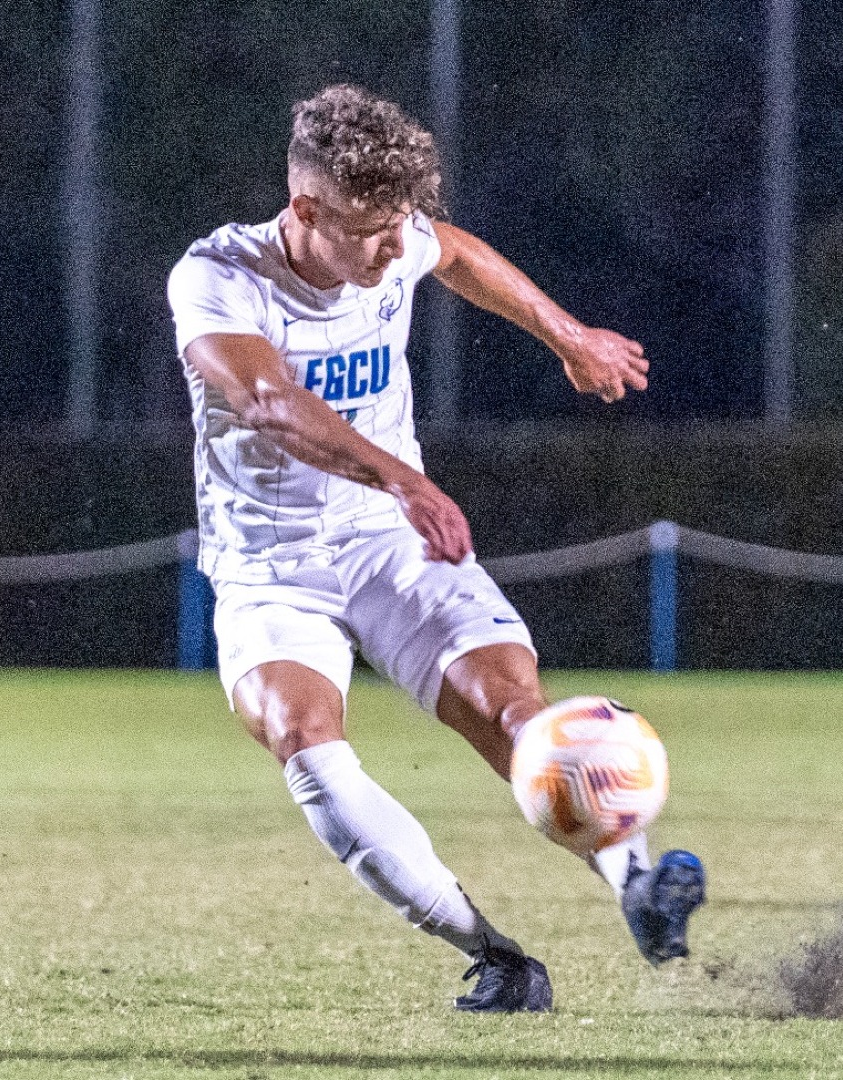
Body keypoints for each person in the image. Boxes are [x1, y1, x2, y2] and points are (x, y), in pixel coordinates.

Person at [165, 84, 705, 1012]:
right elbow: (266, 404)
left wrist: (568, 336)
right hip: (271, 568)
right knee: (307, 742)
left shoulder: (398, 238)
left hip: (387, 544)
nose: (394, 246)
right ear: (306, 210)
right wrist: (406, 479)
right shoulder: (219, 277)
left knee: (511, 712)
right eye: (374, 229)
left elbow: (454, 255)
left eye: (402, 221)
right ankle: (493, 955)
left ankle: (641, 889)